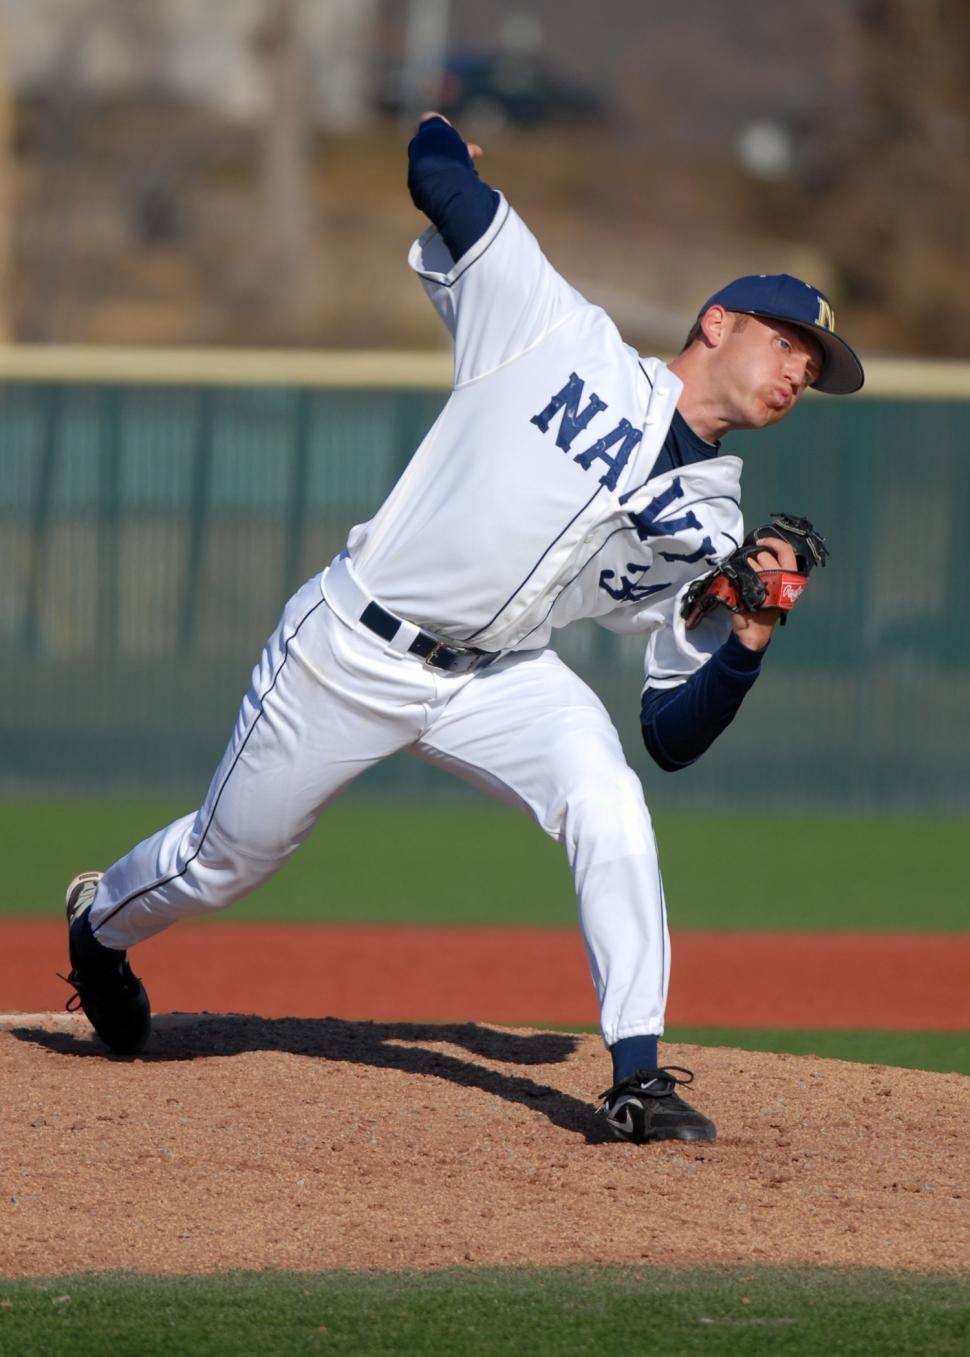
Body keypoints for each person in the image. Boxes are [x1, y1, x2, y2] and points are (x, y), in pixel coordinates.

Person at [63, 113, 863, 1144]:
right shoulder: (555, 332)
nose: (799, 371)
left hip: (502, 678)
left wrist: (749, 636)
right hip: (354, 646)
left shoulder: (714, 524)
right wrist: (438, 131)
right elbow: (442, 183)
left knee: (608, 796)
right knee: (229, 859)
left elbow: (670, 733)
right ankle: (100, 924)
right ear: (716, 322)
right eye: (787, 341)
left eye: (813, 366)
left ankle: (637, 1075)